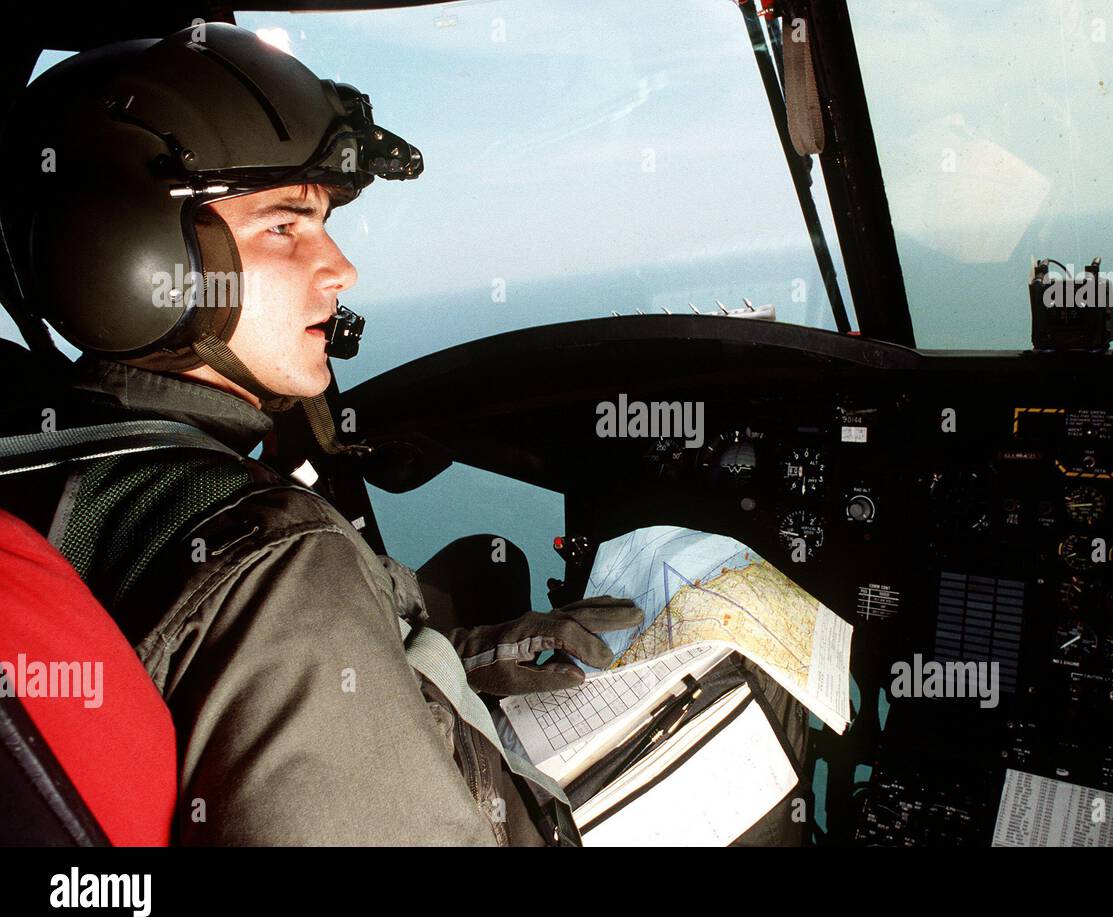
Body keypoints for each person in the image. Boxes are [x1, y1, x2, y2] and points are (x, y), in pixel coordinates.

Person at [0, 22, 645, 846]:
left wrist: (449, 658)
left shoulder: (53, 459)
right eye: (284, 225)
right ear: (133, 255)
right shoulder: (277, 557)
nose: (341, 267)